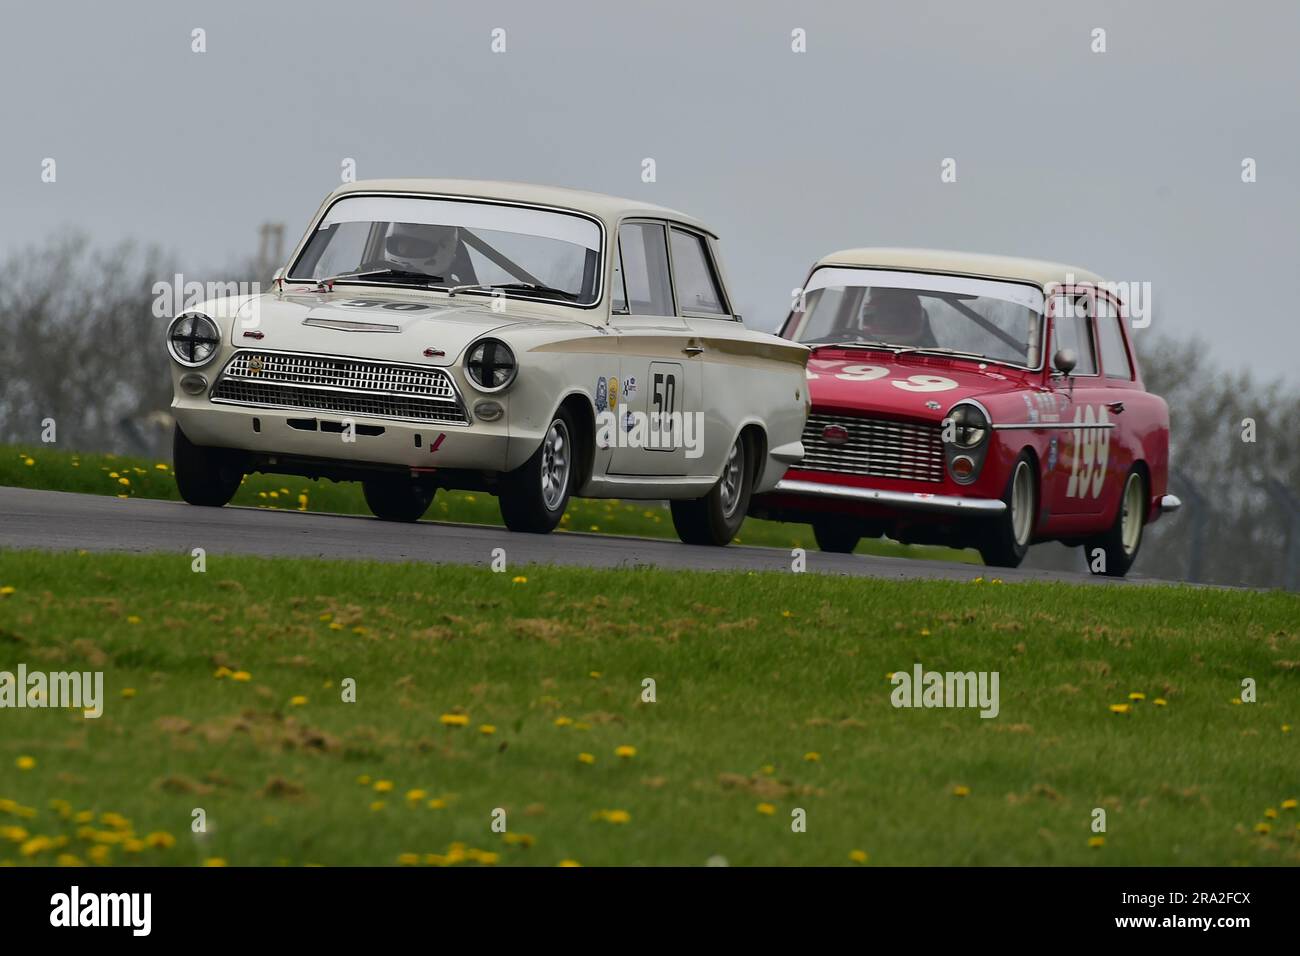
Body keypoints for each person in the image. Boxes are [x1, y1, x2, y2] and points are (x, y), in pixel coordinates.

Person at [383, 222, 463, 281]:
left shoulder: (455, 293)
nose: (403, 250)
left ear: (444, 250)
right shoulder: (376, 279)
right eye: (399, 244)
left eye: (417, 246)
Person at [859, 287, 937, 347]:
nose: (890, 316)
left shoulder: (932, 353)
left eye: (899, 311)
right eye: (883, 310)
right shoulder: (855, 341)